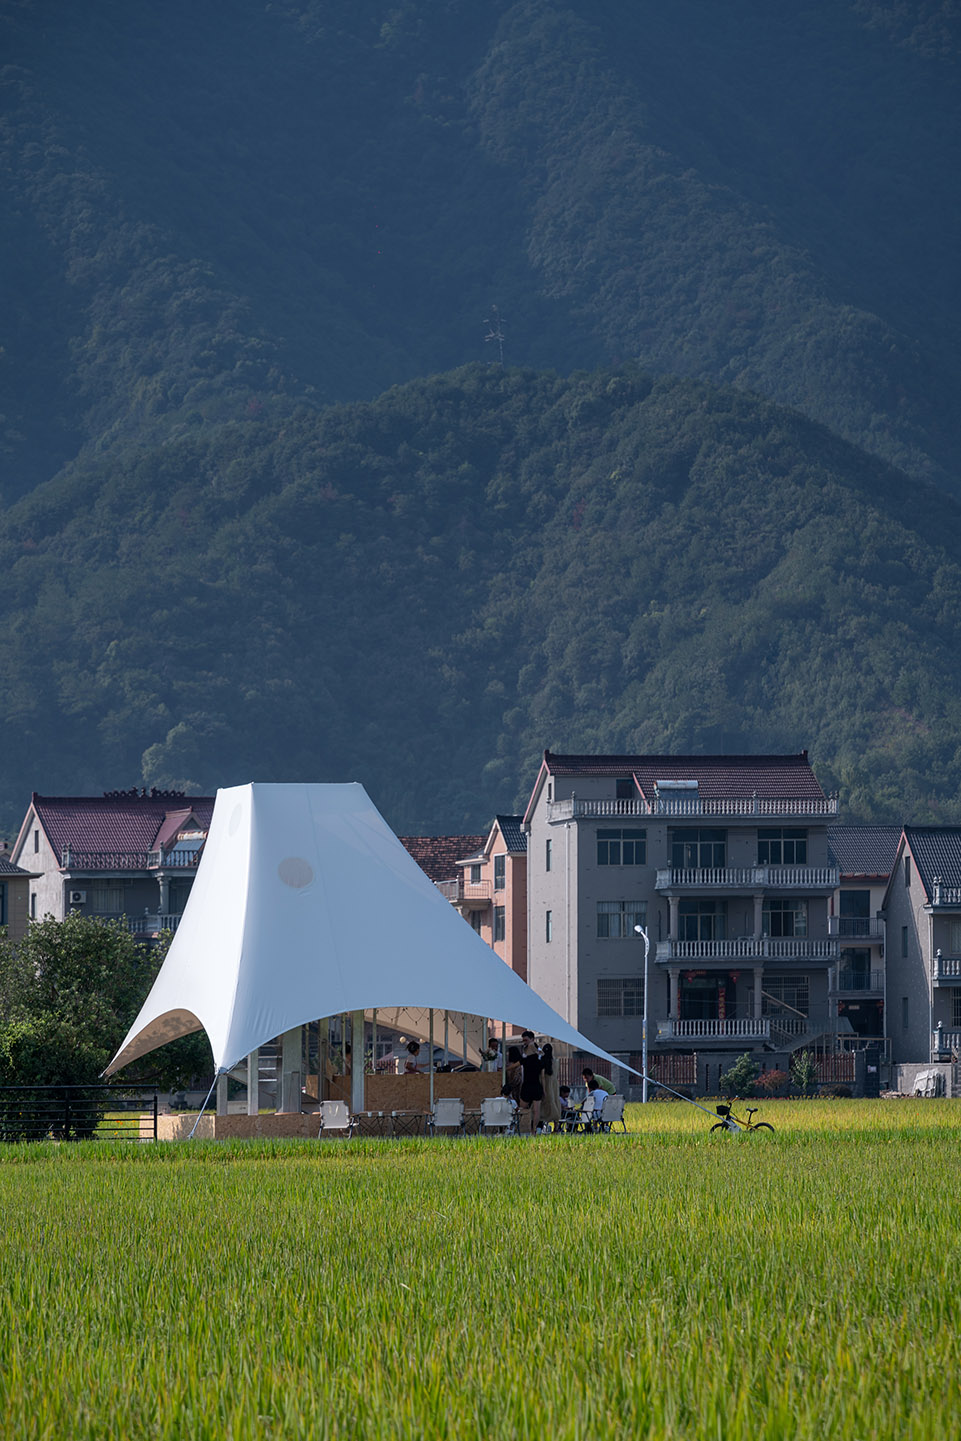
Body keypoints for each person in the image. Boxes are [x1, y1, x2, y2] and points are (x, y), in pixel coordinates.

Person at [519, 1038, 544, 1132]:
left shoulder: (525, 1060)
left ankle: (523, 1127)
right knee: (536, 1111)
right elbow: (542, 1077)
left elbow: (514, 1066)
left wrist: (505, 1069)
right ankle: (534, 1130)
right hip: (537, 1086)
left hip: (526, 1086)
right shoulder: (539, 1062)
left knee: (522, 1109)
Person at [540, 1043, 561, 1131]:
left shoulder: (542, 1061)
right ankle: (556, 1125)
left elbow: (542, 1077)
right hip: (555, 1085)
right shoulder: (556, 1061)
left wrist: (544, 1090)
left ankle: (543, 1123)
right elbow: (557, 1075)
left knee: (545, 1104)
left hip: (547, 1084)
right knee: (555, 1102)